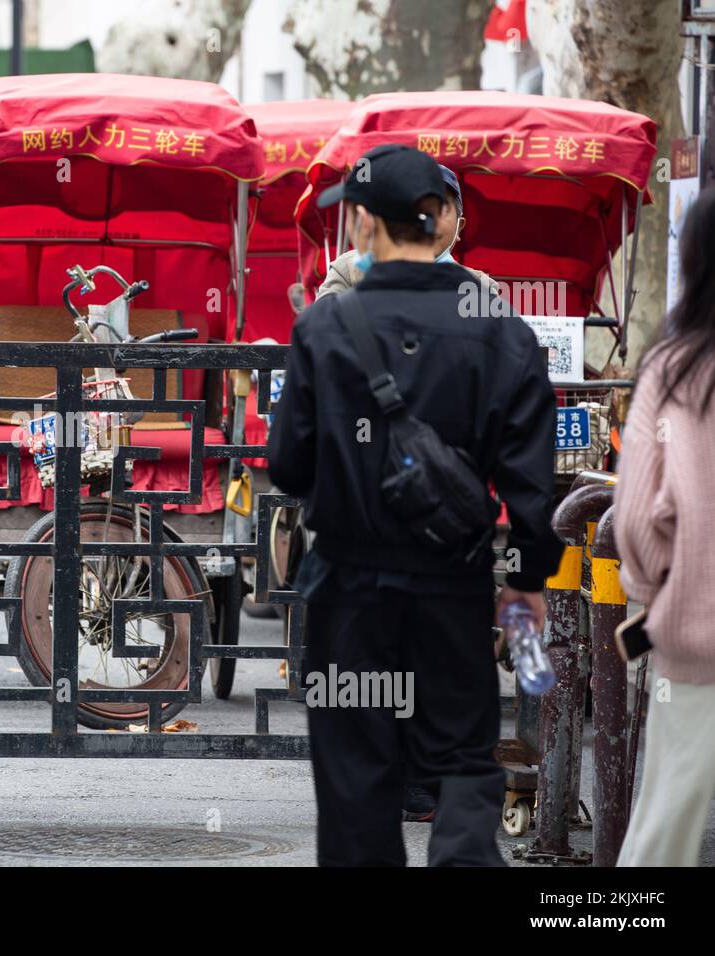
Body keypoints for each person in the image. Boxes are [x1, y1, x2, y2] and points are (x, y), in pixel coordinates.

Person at [267, 145, 563, 866]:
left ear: (365, 222)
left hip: (347, 592)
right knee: (463, 758)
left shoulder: (325, 328)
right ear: (441, 220)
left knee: (354, 778)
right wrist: (525, 583)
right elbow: (532, 485)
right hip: (453, 586)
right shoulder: (498, 328)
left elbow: (287, 466)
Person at [615, 187, 715, 867]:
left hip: (697, 630)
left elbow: (637, 520)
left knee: (665, 828)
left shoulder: (676, 369)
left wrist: (657, 592)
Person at [316, 165, 503, 302]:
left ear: (459, 227)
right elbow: (320, 338)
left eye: (441, 208)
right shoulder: (349, 270)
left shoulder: (480, 288)